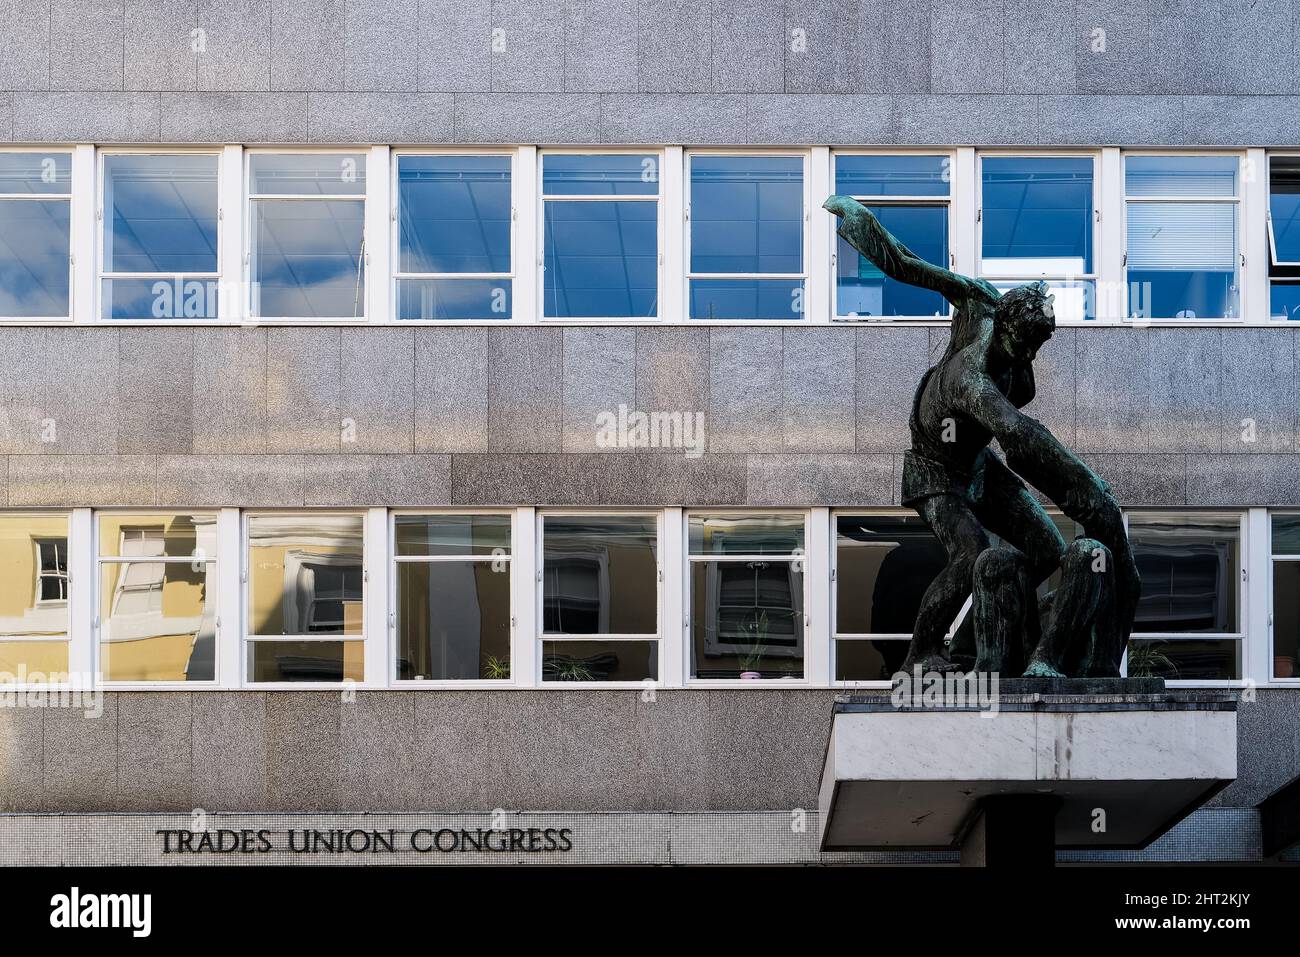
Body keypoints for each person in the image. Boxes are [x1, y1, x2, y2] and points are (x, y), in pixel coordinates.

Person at [824, 196, 1139, 677]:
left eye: (1037, 347)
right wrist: (864, 228)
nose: (1028, 357)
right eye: (1023, 344)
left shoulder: (1019, 360)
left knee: (1047, 551)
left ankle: (984, 636)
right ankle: (920, 655)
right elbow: (911, 267)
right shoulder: (974, 361)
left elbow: (1020, 447)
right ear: (1005, 325)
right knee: (970, 552)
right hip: (936, 468)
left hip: (975, 462)